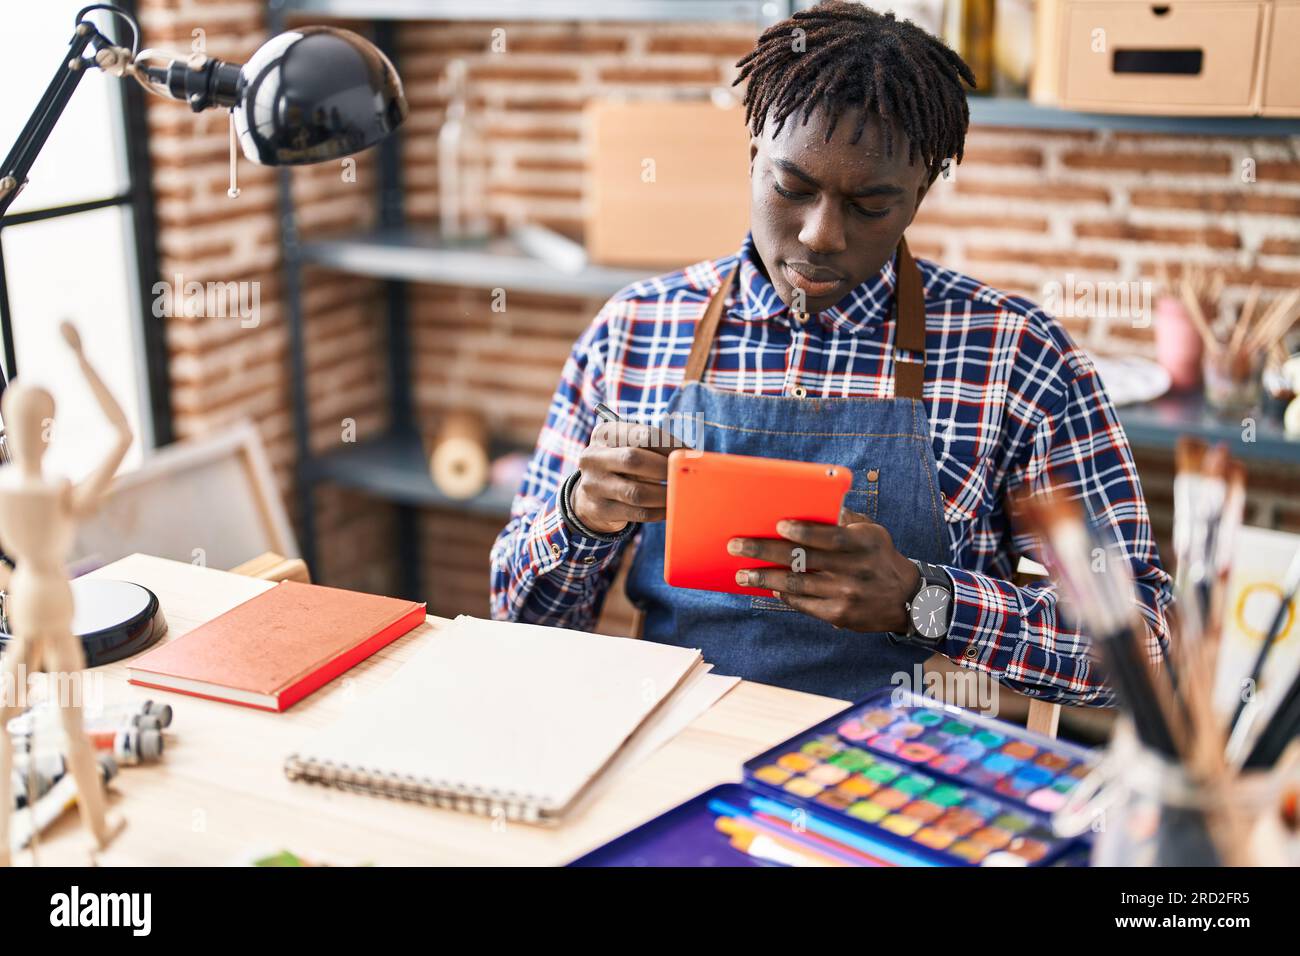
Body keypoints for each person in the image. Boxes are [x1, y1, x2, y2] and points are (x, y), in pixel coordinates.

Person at [490, 1, 1172, 704]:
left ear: (920, 194)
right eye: (793, 188)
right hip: (682, 745)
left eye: (869, 205)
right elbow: (520, 617)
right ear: (755, 159)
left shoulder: (1017, 356)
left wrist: (925, 601)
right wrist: (582, 515)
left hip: (901, 769)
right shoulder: (635, 330)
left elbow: (1145, 646)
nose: (821, 234)